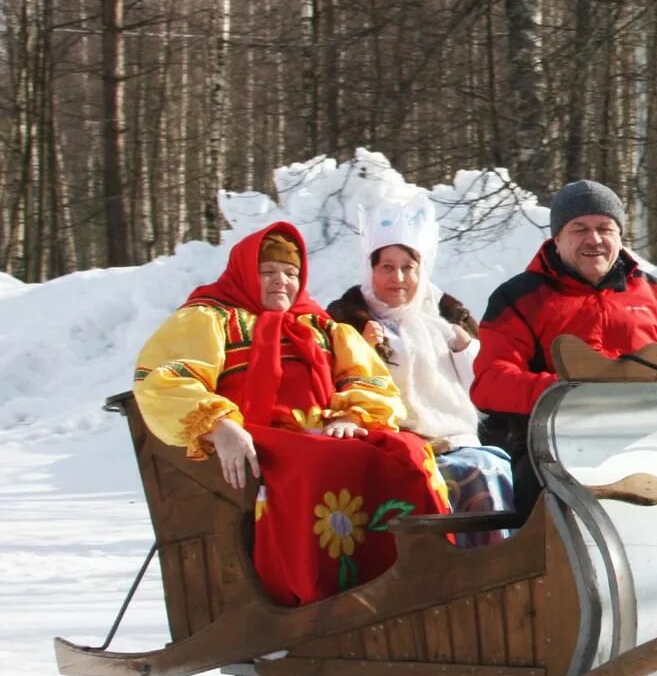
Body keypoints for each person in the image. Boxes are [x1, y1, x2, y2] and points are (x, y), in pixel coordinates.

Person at [132, 221, 451, 605]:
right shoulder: (211, 318)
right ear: (245, 273)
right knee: (319, 464)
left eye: (290, 273)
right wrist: (220, 425)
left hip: (329, 432)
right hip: (257, 438)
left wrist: (352, 416)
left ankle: (425, 571)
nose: (281, 281)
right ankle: (322, 595)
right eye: (267, 272)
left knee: (409, 452)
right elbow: (164, 380)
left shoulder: (319, 325)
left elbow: (370, 379)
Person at [472, 179, 657, 514]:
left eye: (605, 228)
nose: (594, 239)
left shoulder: (654, 293)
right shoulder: (519, 297)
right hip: (551, 449)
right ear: (557, 238)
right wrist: (564, 392)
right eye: (579, 229)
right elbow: (490, 383)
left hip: (648, 444)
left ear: (619, 237)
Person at [327, 196, 517, 545]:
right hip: (396, 444)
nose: (398, 278)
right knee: (463, 475)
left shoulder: (446, 319)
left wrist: (464, 348)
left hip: (458, 440)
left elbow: (483, 392)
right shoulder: (349, 321)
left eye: (407, 267)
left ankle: (502, 562)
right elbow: (342, 384)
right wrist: (365, 349)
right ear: (371, 270)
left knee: (496, 468)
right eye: (386, 267)